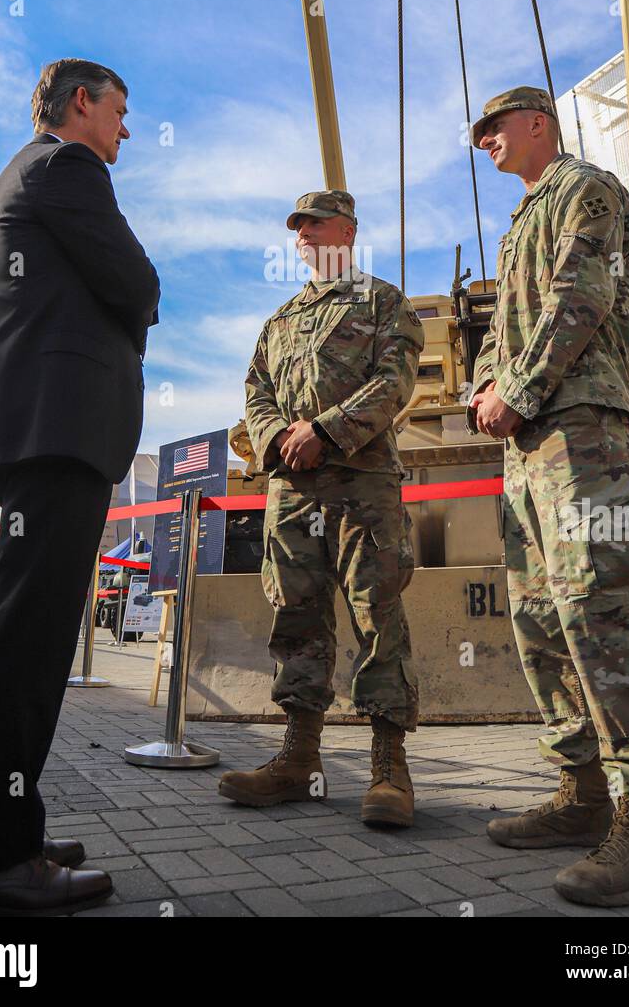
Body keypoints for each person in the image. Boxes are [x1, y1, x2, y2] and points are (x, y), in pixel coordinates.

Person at [0, 58, 160, 917]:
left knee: (23, 634)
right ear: (81, 104)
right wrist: (139, 305)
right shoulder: (69, 168)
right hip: (61, 431)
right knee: (30, 645)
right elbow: (136, 284)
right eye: (119, 110)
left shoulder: (24, 173)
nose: (124, 131)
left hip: (38, 430)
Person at [467, 86, 629, 908]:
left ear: (537, 123)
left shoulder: (585, 190)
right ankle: (581, 795)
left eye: (495, 126)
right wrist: (482, 389)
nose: (484, 139)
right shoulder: (519, 221)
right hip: (528, 440)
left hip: (580, 426)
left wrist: (517, 390)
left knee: (603, 605)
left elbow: (580, 295)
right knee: (538, 618)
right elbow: (500, 326)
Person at [219, 191, 424, 827]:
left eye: (314, 223)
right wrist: (280, 436)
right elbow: (255, 389)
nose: (303, 234)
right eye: (298, 228)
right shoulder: (280, 320)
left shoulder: (383, 302)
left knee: (377, 615)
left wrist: (327, 430)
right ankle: (298, 757)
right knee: (297, 618)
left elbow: (395, 382)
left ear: (347, 229)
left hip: (361, 484)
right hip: (291, 490)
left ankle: (390, 767)